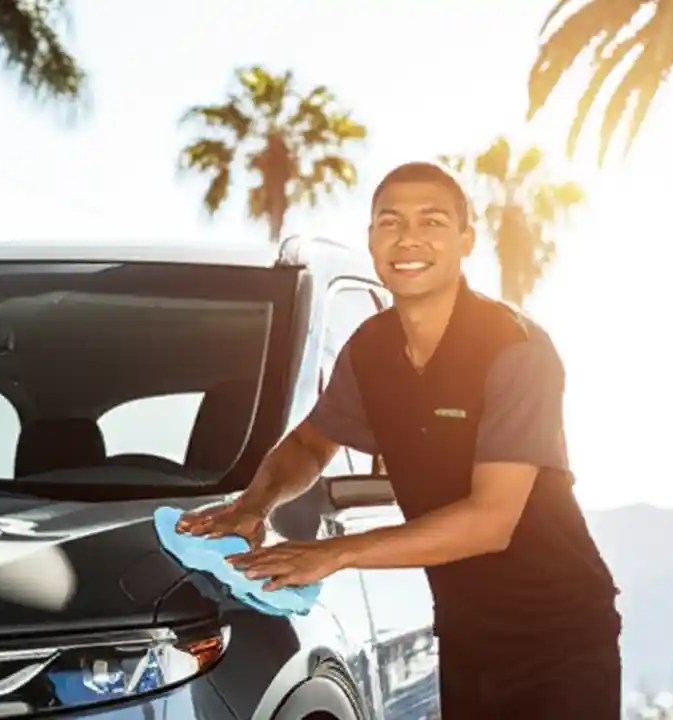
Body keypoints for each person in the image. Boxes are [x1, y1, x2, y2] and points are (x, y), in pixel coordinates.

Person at [177, 161, 621, 718]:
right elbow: (312, 443)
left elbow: (492, 519)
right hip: (466, 632)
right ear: (370, 238)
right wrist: (253, 504)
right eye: (389, 223)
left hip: (560, 638)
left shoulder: (517, 349)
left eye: (431, 222)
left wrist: (335, 553)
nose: (408, 238)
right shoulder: (370, 350)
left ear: (466, 241)